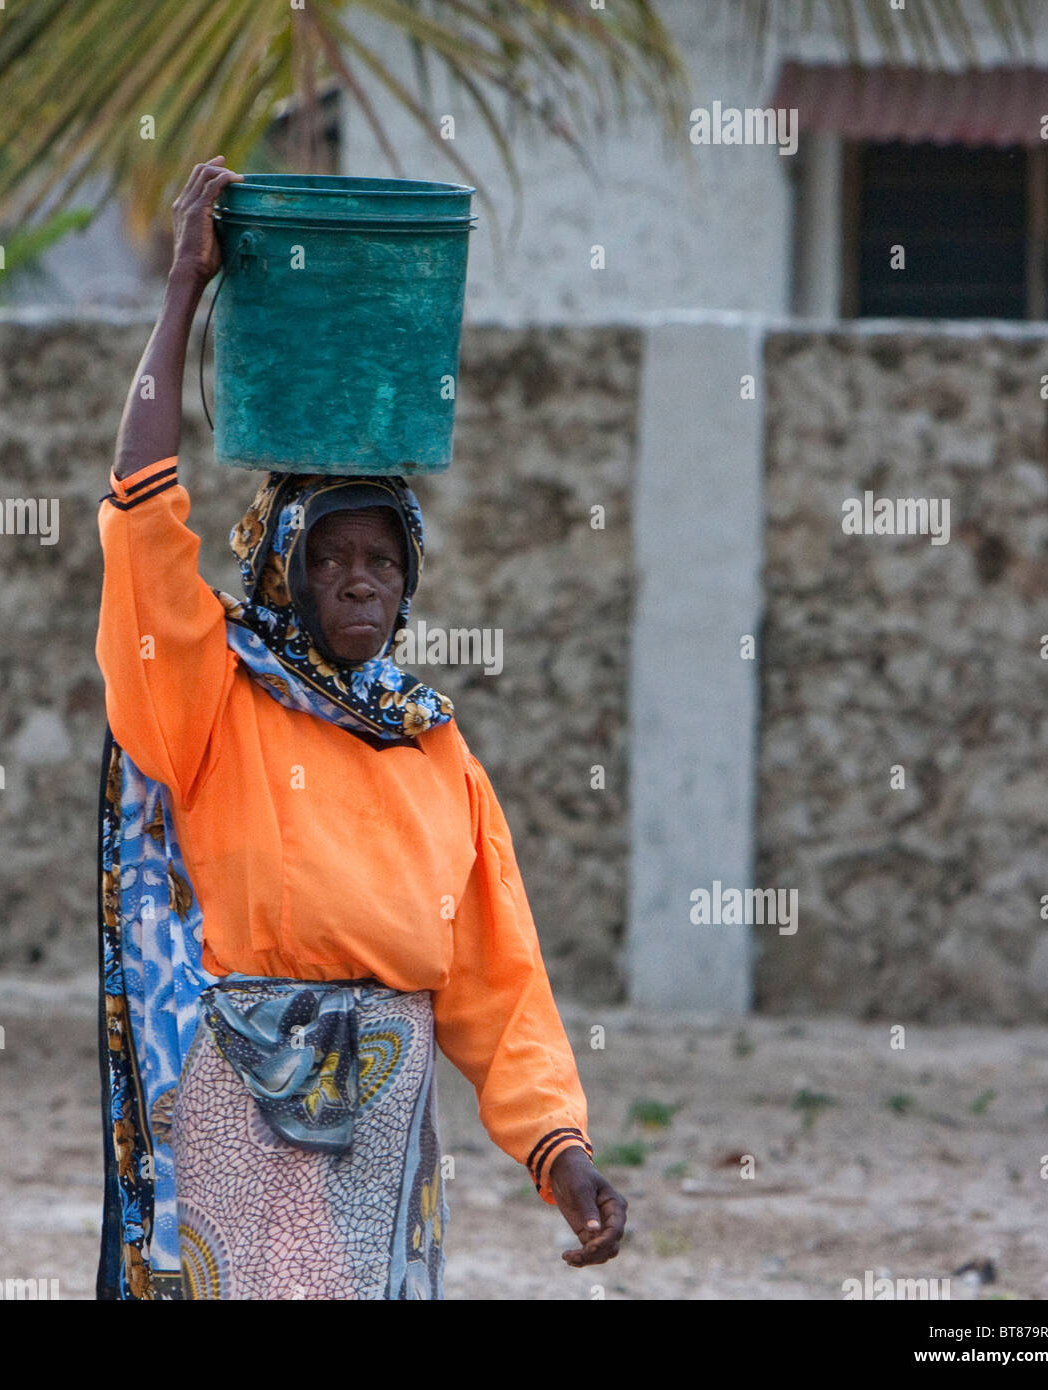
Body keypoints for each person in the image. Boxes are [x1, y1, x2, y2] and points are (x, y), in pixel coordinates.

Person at [93, 156, 626, 1300]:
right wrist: (185, 290)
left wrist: (559, 1151)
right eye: (327, 556)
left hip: (388, 1122)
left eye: (382, 559)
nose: (358, 582)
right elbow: (140, 521)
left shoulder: (436, 752)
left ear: (410, 580)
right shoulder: (212, 702)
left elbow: (500, 978)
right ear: (280, 570)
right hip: (234, 1091)